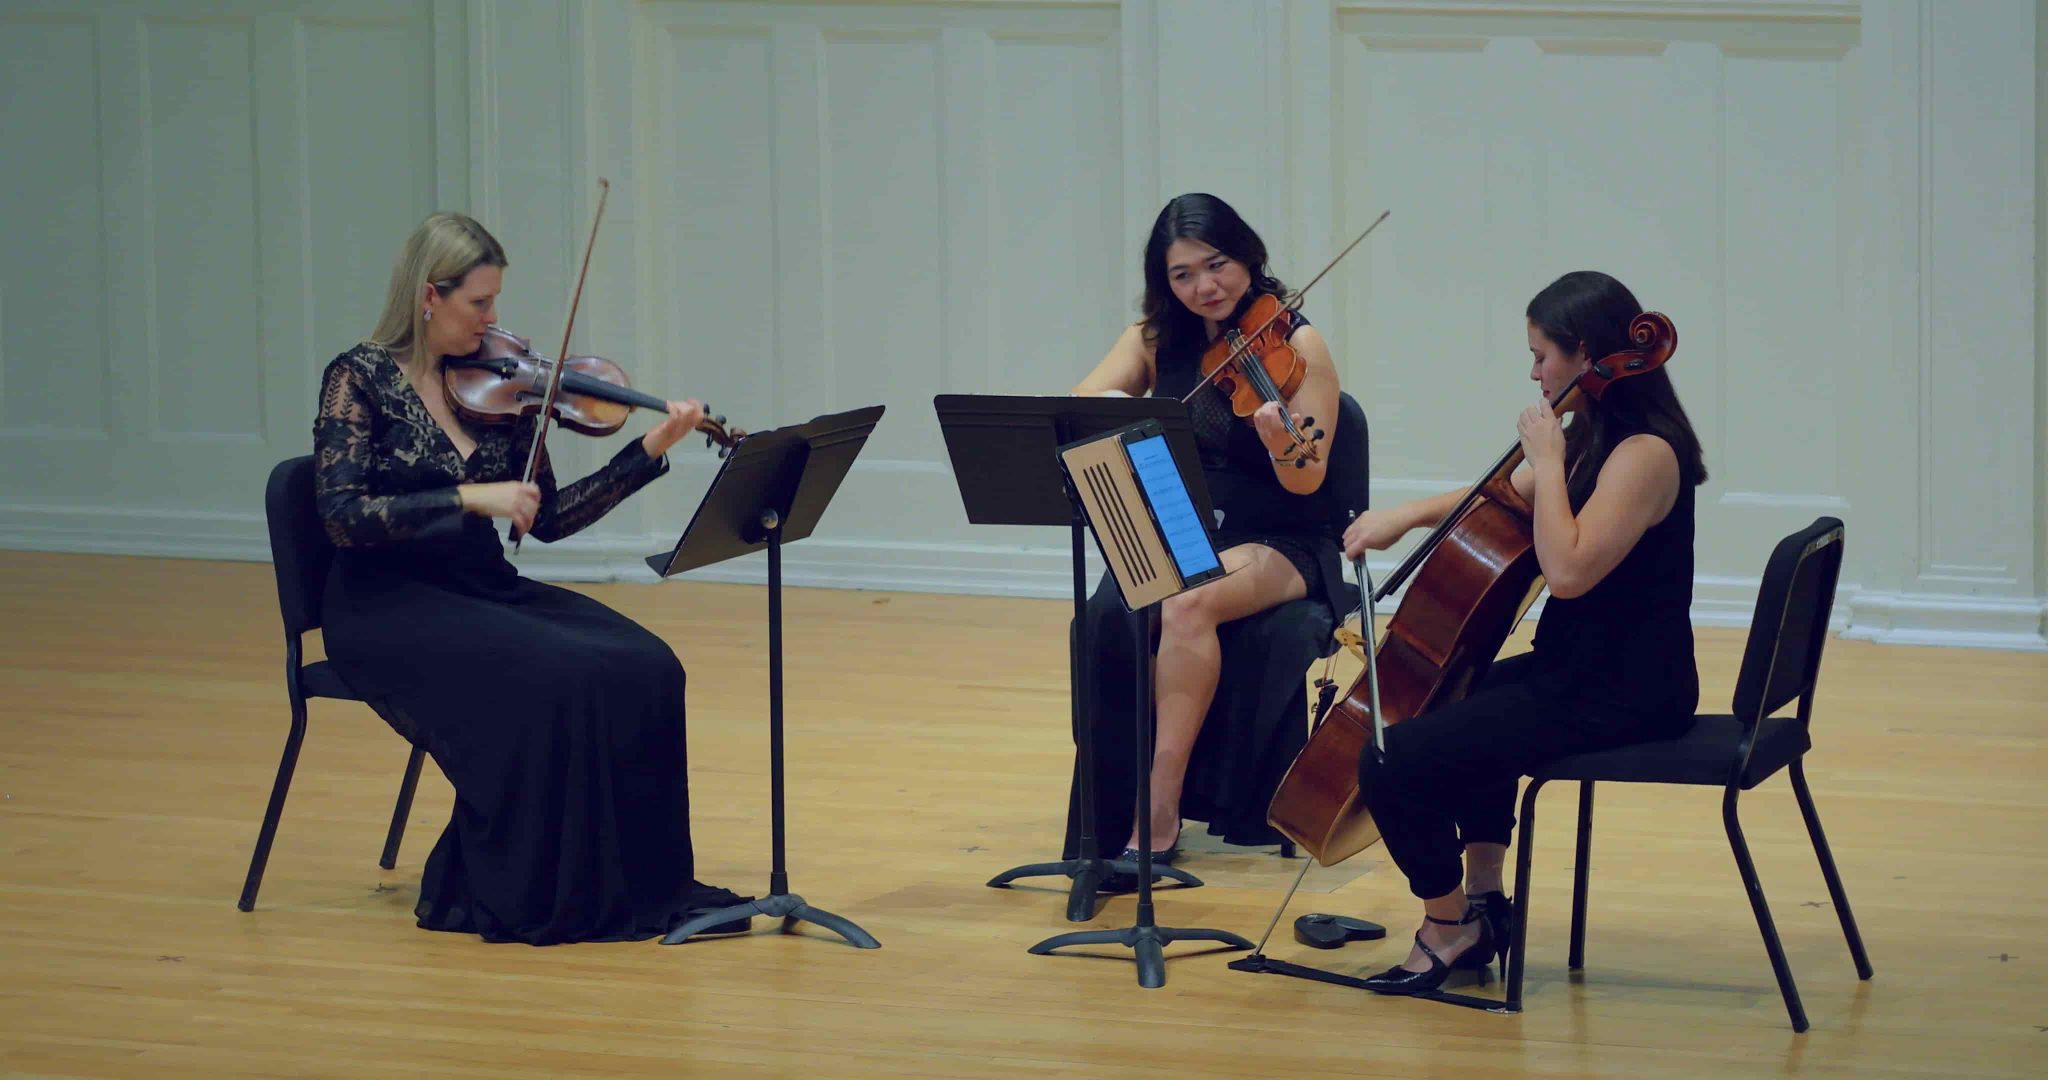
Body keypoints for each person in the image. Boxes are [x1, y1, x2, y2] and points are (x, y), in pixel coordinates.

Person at [312, 211, 744, 945]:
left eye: (495, 303)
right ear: (428, 295)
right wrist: (464, 496)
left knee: (645, 665)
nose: (493, 321)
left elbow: (549, 519)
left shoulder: (499, 394)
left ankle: (645, 882)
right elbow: (342, 516)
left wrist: (646, 451)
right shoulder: (359, 379)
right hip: (387, 606)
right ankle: (539, 887)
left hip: (481, 589)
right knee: (563, 675)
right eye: (479, 303)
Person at [1341, 270, 1707, 993]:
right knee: (1456, 703)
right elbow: (1506, 494)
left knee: (1392, 758)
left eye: (1541, 355)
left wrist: (1548, 458)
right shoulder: (1597, 436)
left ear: (1581, 352)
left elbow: (1567, 572)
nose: (1533, 371)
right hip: (1576, 667)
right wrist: (1404, 516)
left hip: (1623, 689)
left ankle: (1447, 929)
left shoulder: (1644, 454)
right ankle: (1483, 902)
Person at [1069, 192, 1350, 873]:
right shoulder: (1154, 339)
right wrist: (1115, 406)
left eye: (1217, 265)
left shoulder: (1299, 343)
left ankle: (1159, 813)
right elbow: (1079, 406)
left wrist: (1284, 443)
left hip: (1285, 539)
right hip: (1188, 527)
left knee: (1186, 602)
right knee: (1108, 611)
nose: (1205, 287)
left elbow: (1308, 484)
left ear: (1249, 256)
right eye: (1183, 274)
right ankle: (1103, 812)